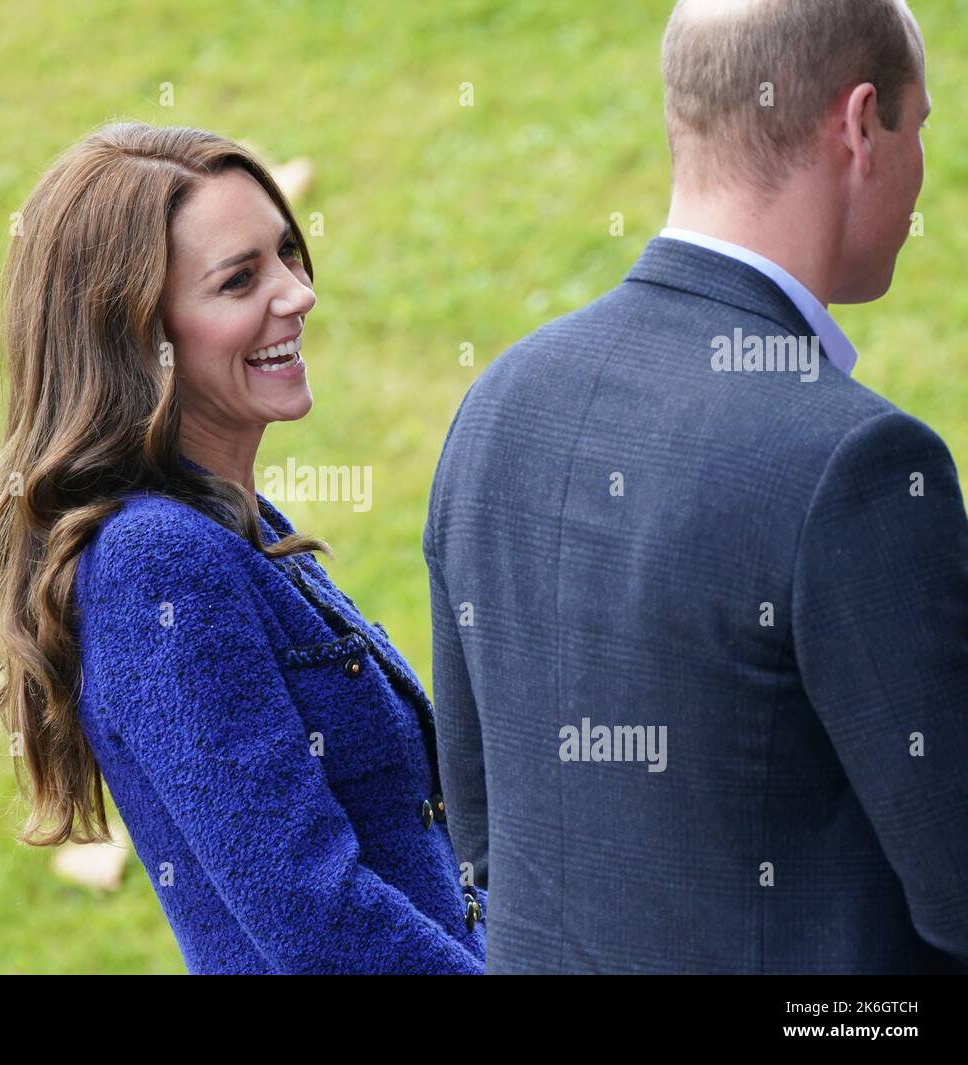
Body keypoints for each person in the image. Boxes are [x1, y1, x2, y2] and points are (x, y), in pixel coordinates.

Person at [424, 0, 967, 973]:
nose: (920, 163)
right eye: (916, 124)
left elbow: (481, 826)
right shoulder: (861, 465)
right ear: (857, 128)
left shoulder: (497, 402)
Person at [0, 121, 485, 974]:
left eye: (287, 253)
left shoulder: (234, 520)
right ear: (137, 337)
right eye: (240, 279)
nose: (296, 293)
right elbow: (314, 918)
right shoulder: (155, 562)